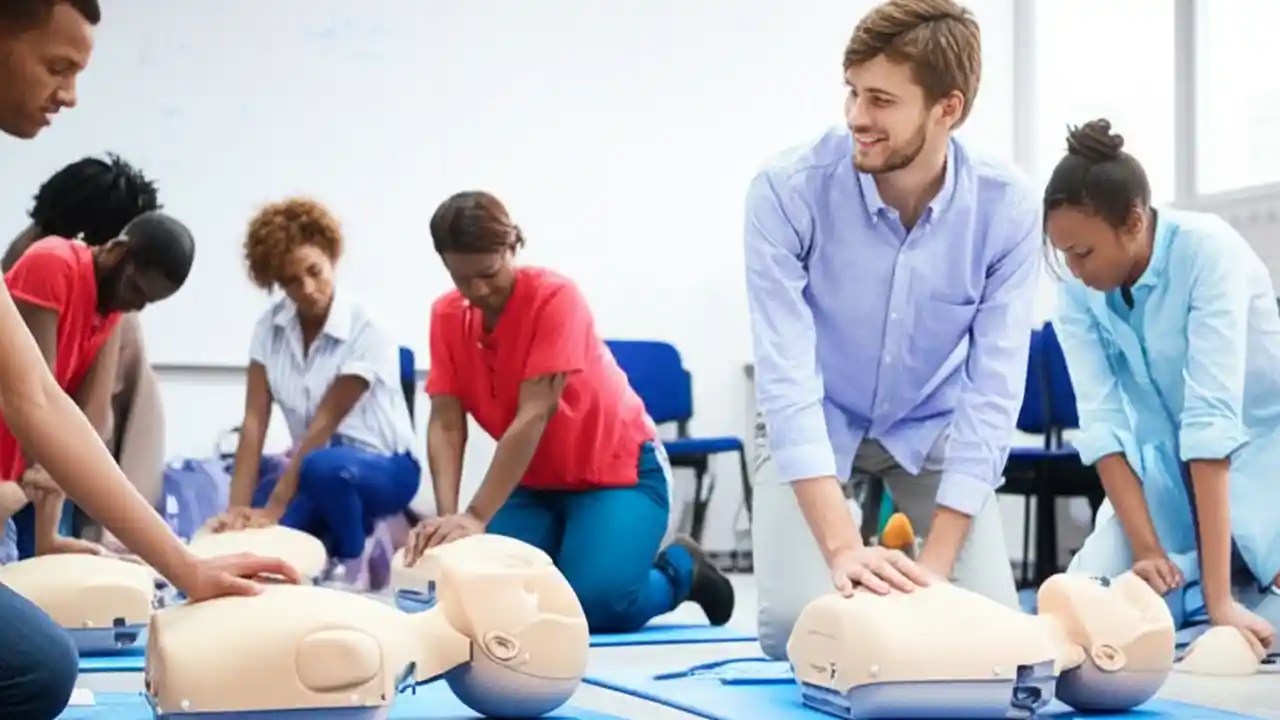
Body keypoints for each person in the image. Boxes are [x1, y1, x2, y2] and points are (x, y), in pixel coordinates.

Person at [0, 2, 298, 718]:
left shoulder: (108, 314)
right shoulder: (49, 261)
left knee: (40, 667)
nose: (69, 93)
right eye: (57, 66)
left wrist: (184, 564)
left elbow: (42, 401)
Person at [744, 0, 1042, 659]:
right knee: (800, 627)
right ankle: (864, 557)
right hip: (817, 417)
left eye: (880, 99)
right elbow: (787, 381)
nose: (856, 117)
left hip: (930, 423)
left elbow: (993, 389)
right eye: (852, 92)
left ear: (948, 109)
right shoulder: (785, 191)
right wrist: (842, 548)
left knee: (984, 629)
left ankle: (908, 568)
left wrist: (936, 571)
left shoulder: (1008, 207)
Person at [403, 191, 734, 633]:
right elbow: (446, 422)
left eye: (488, 273)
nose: (477, 291)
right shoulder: (447, 315)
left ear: (511, 248)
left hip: (618, 472)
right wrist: (449, 520)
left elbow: (534, 414)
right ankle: (575, 554)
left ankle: (682, 570)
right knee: (491, 600)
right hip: (535, 484)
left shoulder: (554, 297)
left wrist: (477, 516)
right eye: (462, 279)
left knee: (592, 606)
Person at [1045, 118, 1278, 653]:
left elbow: (1210, 422)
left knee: (1246, 624)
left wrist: (1220, 604)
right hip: (1163, 472)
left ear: (1132, 221)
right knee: (1082, 607)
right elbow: (1102, 424)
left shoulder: (1207, 252)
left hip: (1261, 461)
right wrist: (1148, 551)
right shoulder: (1077, 293)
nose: (1075, 271)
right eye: (1064, 256)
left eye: (1083, 253)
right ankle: (1197, 603)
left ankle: (1213, 600)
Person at [201, 198, 421, 591]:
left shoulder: (368, 327)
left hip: (386, 468)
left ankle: (358, 555)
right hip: (314, 469)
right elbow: (254, 423)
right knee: (268, 543)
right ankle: (335, 545)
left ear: (331, 256)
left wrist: (274, 504)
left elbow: (323, 424)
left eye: (314, 272)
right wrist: (238, 511)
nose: (307, 289)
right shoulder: (269, 329)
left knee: (321, 470)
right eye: (290, 281)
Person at [4, 209, 195, 559]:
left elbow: (89, 417)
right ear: (117, 251)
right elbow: (33, 402)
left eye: (147, 301)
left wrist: (51, 538)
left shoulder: (109, 307)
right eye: (136, 288)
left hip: (21, 486)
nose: (136, 304)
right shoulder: (54, 263)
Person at [2, 154, 168, 518]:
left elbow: (91, 416)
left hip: (71, 467)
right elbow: (32, 401)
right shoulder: (39, 261)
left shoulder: (112, 300)